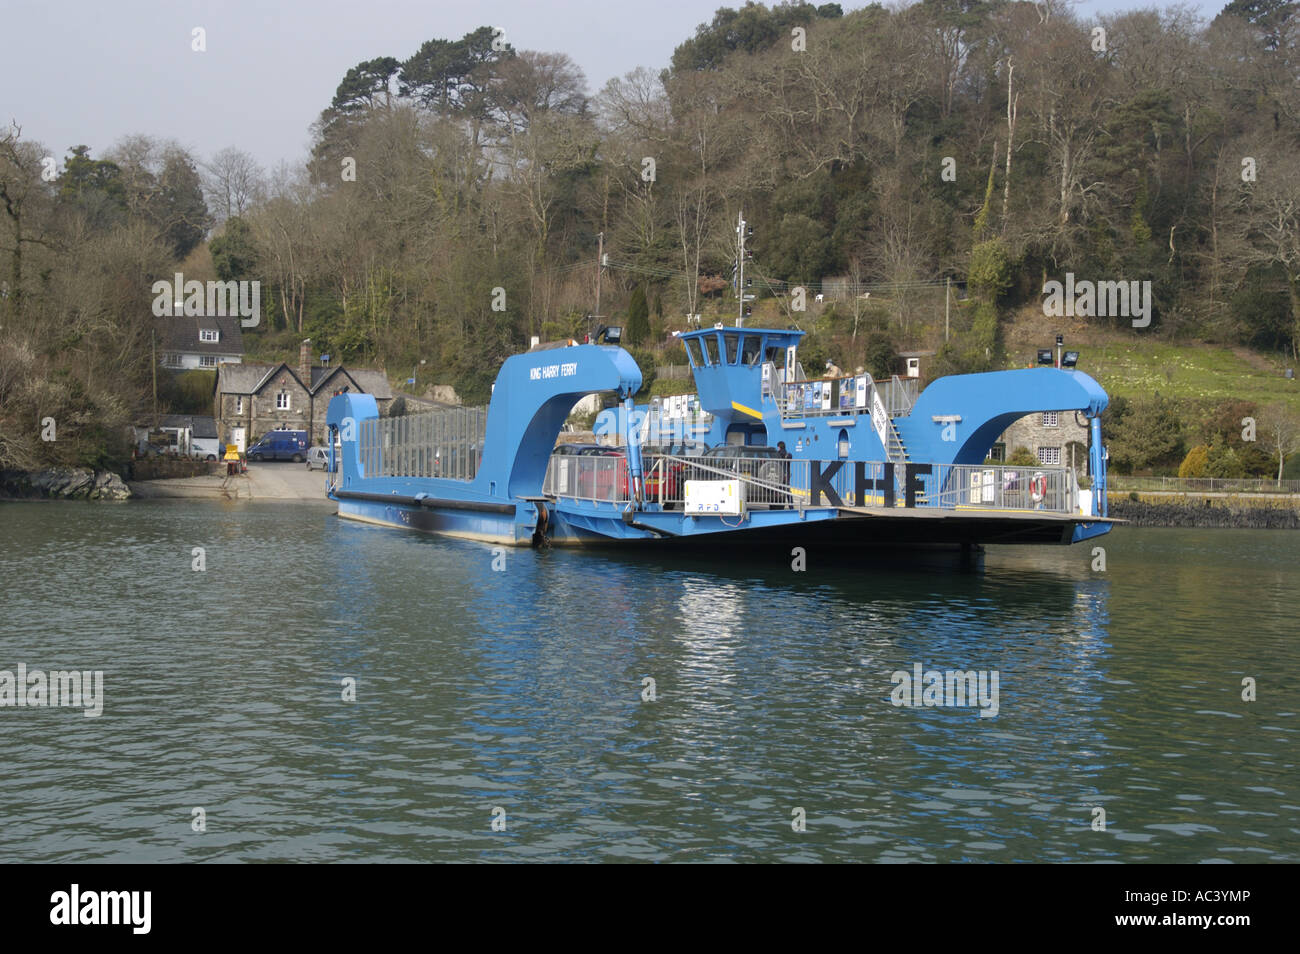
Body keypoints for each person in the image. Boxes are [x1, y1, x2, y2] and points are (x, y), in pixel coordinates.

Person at [776, 440, 793, 508]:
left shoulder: (777, 454)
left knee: (778, 490)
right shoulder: (788, 454)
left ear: (779, 447)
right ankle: (791, 505)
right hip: (786, 474)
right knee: (787, 490)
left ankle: (780, 506)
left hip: (779, 474)